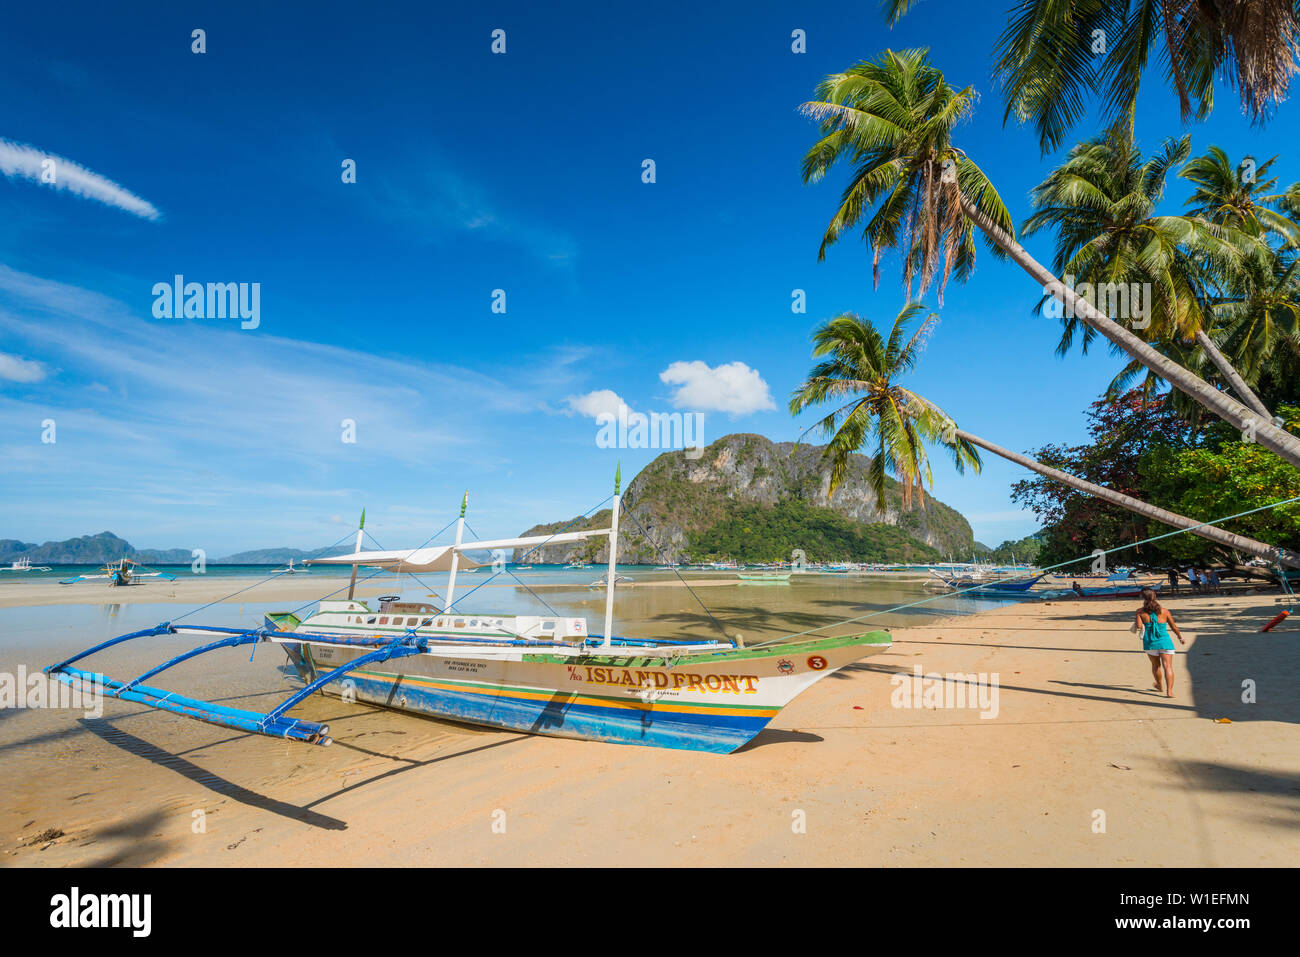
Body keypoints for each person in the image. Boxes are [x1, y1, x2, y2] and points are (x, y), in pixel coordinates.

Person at [1134, 586, 1185, 697]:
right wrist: (1180, 637)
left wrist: (1138, 615)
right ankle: (1169, 691)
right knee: (1168, 666)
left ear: (1142, 598)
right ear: (1155, 596)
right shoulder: (1165, 611)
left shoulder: (1140, 612)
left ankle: (1159, 685)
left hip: (1150, 642)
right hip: (1165, 641)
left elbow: (1138, 626)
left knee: (1156, 666)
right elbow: (1174, 627)